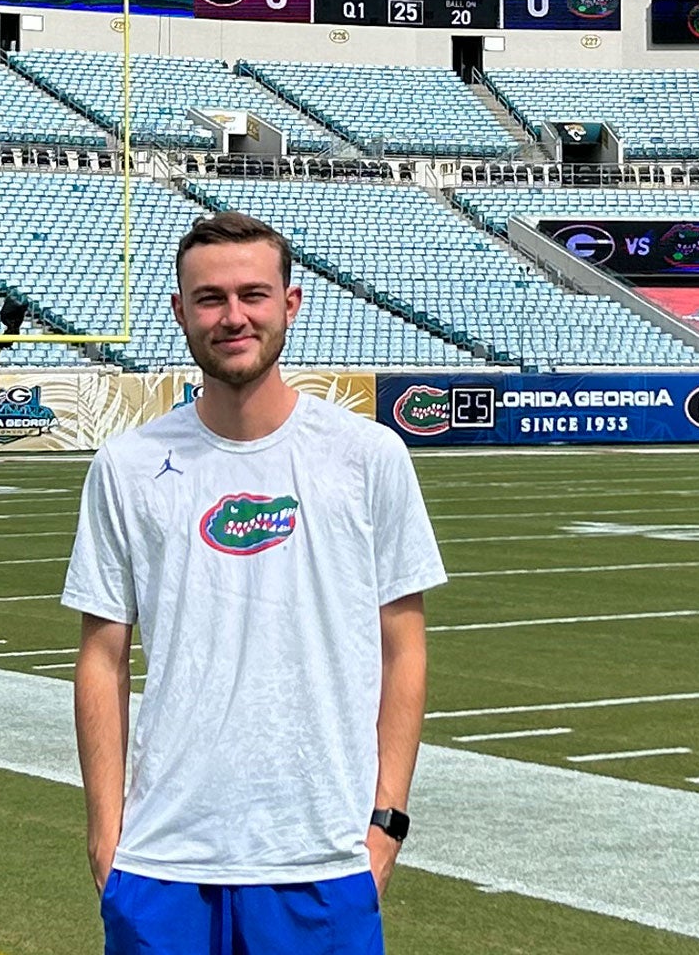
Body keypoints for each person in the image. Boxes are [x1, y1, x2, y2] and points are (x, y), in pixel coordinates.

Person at [62, 211, 446, 955]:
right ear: (180, 312)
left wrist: (386, 823)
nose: (232, 316)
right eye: (209, 299)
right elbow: (100, 657)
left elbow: (404, 646)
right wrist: (106, 836)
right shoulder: (127, 465)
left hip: (324, 859)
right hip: (160, 862)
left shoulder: (368, 455)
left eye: (252, 295)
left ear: (289, 304)